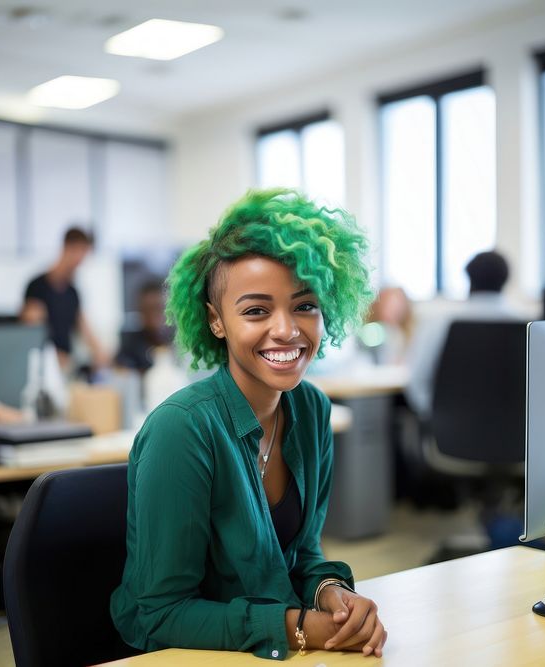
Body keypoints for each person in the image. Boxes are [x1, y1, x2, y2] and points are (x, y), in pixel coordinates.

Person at [111, 189, 388, 660]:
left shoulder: (312, 410)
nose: (286, 330)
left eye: (305, 306)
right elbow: (160, 613)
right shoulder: (182, 430)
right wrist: (301, 627)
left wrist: (330, 593)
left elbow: (302, 556)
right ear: (216, 321)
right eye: (256, 310)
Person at [404, 250, 522, 419]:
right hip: (513, 431)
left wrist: (438, 416)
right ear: (506, 279)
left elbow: (416, 382)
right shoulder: (526, 326)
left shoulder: (438, 325)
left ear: (469, 278)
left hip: (449, 432)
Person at [20, 227, 109, 373]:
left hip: (66, 367)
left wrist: (100, 352)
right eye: (79, 254)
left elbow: (84, 327)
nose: (79, 263)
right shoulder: (37, 287)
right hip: (43, 369)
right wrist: (52, 357)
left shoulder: (72, 292)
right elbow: (31, 332)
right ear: (67, 248)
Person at [114, 279, 175, 373]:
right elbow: (121, 369)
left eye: (158, 308)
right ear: (140, 311)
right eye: (148, 310)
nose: (153, 316)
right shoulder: (130, 342)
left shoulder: (178, 340)